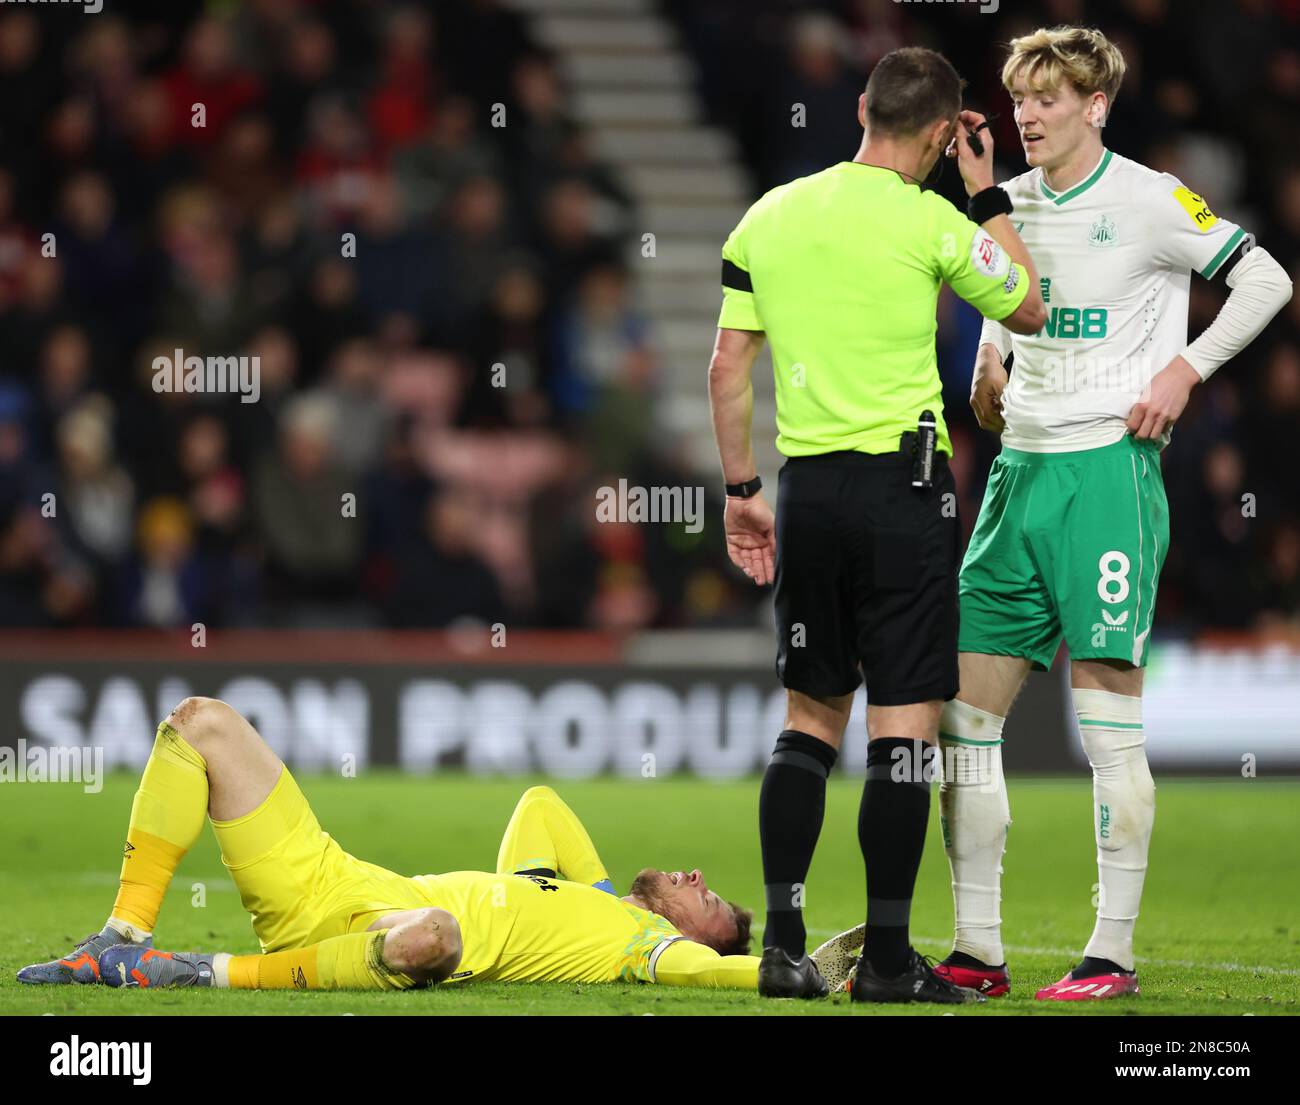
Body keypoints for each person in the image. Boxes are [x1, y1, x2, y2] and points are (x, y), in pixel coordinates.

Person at [932, 26, 1292, 1002]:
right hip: (1017, 477)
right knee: (962, 720)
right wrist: (986, 366)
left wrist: (1186, 368)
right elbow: (1008, 309)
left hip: (1105, 474)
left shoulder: (1147, 199)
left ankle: (1110, 953)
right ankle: (977, 950)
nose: (1029, 116)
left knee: (1106, 730)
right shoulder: (1003, 205)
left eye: (1048, 99)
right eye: (1019, 101)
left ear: (1095, 106)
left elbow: (1266, 277)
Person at [708, 46, 1046, 1003]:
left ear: (860, 107)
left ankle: (782, 947)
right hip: (904, 494)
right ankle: (890, 962)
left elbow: (728, 367)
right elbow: (1028, 305)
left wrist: (742, 492)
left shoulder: (767, 214)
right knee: (903, 729)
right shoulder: (935, 217)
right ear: (945, 137)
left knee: (808, 720)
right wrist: (986, 196)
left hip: (807, 491)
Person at [18, 696, 762, 992]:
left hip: (377, 935)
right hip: (326, 877)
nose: (699, 876)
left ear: (696, 936)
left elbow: (716, 976)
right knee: (200, 722)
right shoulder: (578, 900)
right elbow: (541, 803)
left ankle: (194, 971)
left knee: (437, 937)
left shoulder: (644, 948)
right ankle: (115, 937)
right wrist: (598, 891)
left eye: (712, 899)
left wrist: (793, 972)